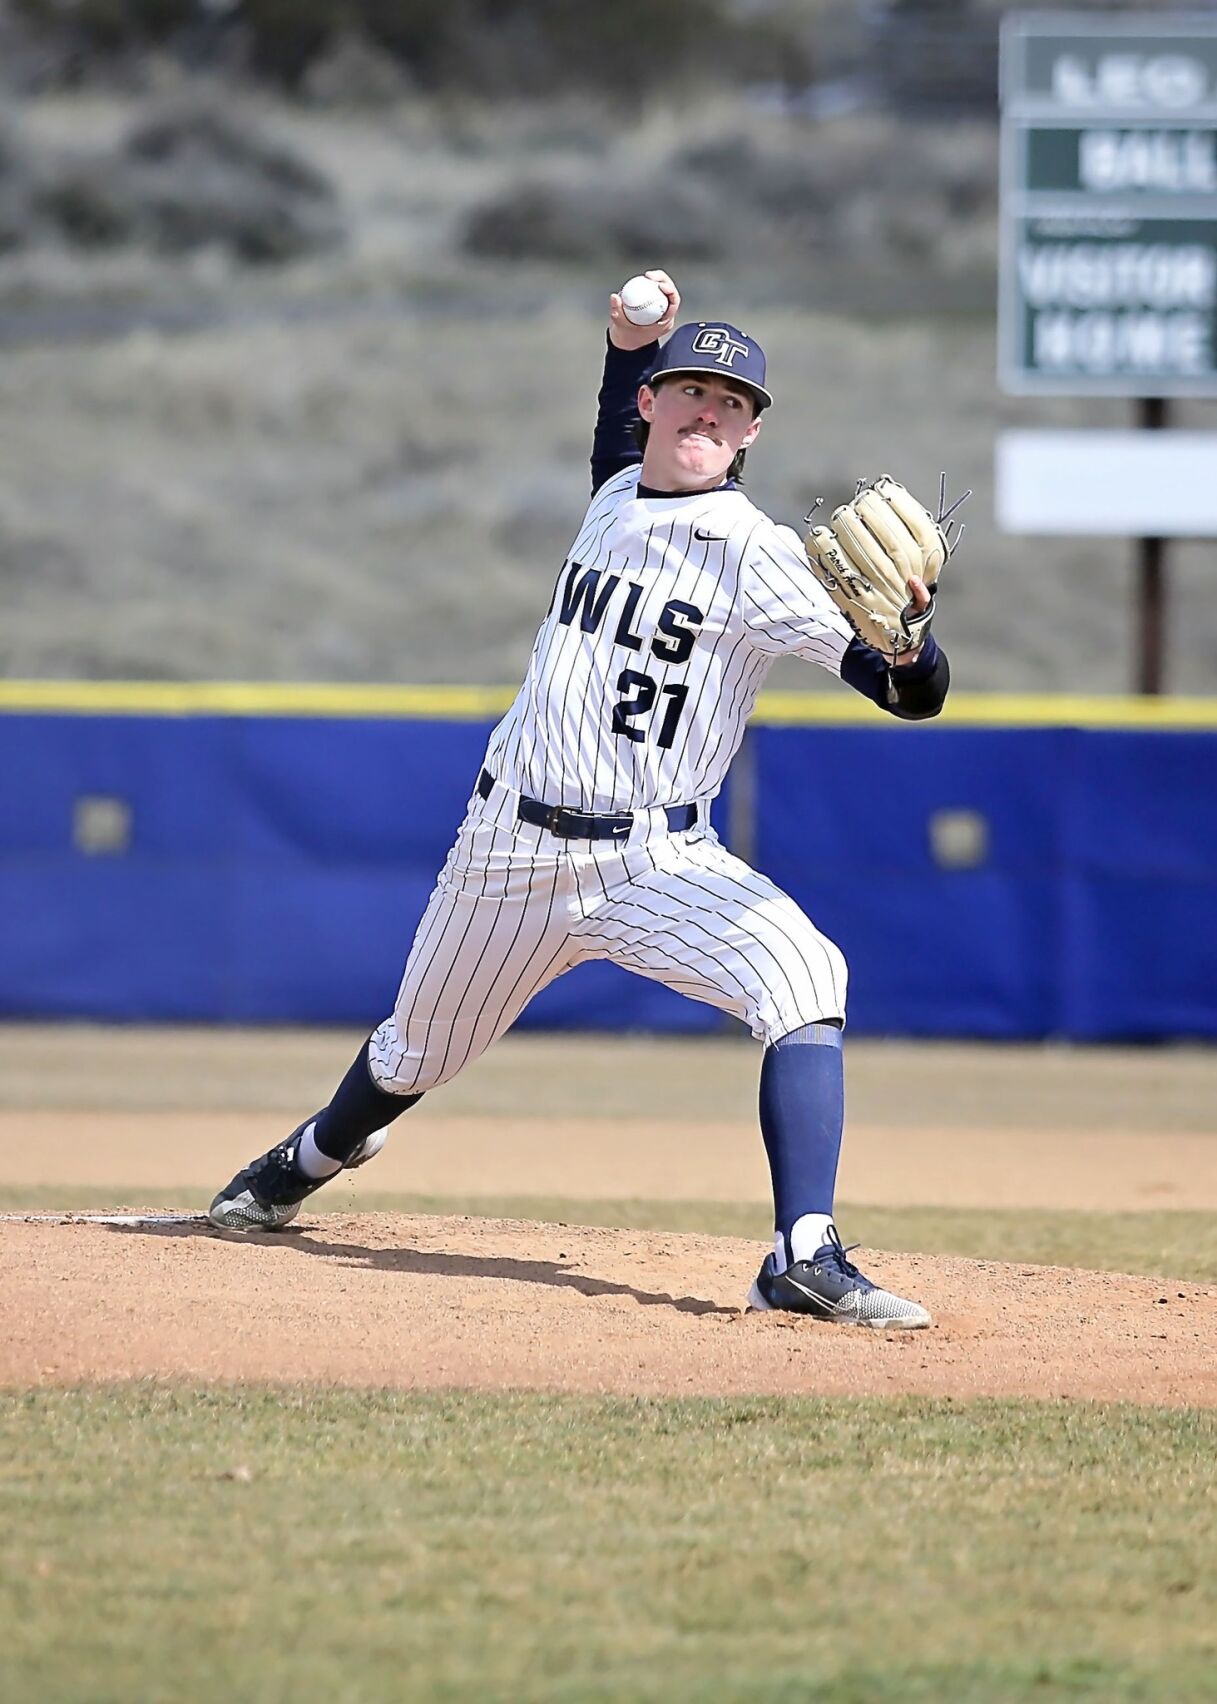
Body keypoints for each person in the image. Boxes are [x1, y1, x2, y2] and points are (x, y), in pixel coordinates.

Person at [209, 270, 950, 1329]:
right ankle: (308, 1157)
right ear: (655, 401)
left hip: (656, 861)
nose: (708, 411)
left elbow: (907, 695)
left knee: (803, 973)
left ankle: (801, 1253)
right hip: (506, 849)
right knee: (413, 1052)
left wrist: (912, 644)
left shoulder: (760, 557)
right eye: (690, 389)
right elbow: (612, 430)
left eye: (731, 405)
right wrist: (623, 339)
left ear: (748, 438)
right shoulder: (612, 495)